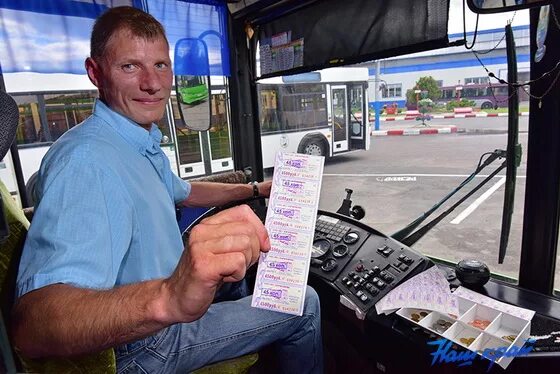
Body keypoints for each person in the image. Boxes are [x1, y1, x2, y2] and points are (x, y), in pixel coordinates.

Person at [11, 6, 323, 373]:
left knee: (242, 279)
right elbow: (34, 325)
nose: (153, 84)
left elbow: (183, 191)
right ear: (95, 72)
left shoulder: (133, 140)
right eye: (130, 67)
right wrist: (168, 298)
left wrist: (256, 189)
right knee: (304, 302)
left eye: (160, 65)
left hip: (165, 293)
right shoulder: (87, 162)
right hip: (143, 345)